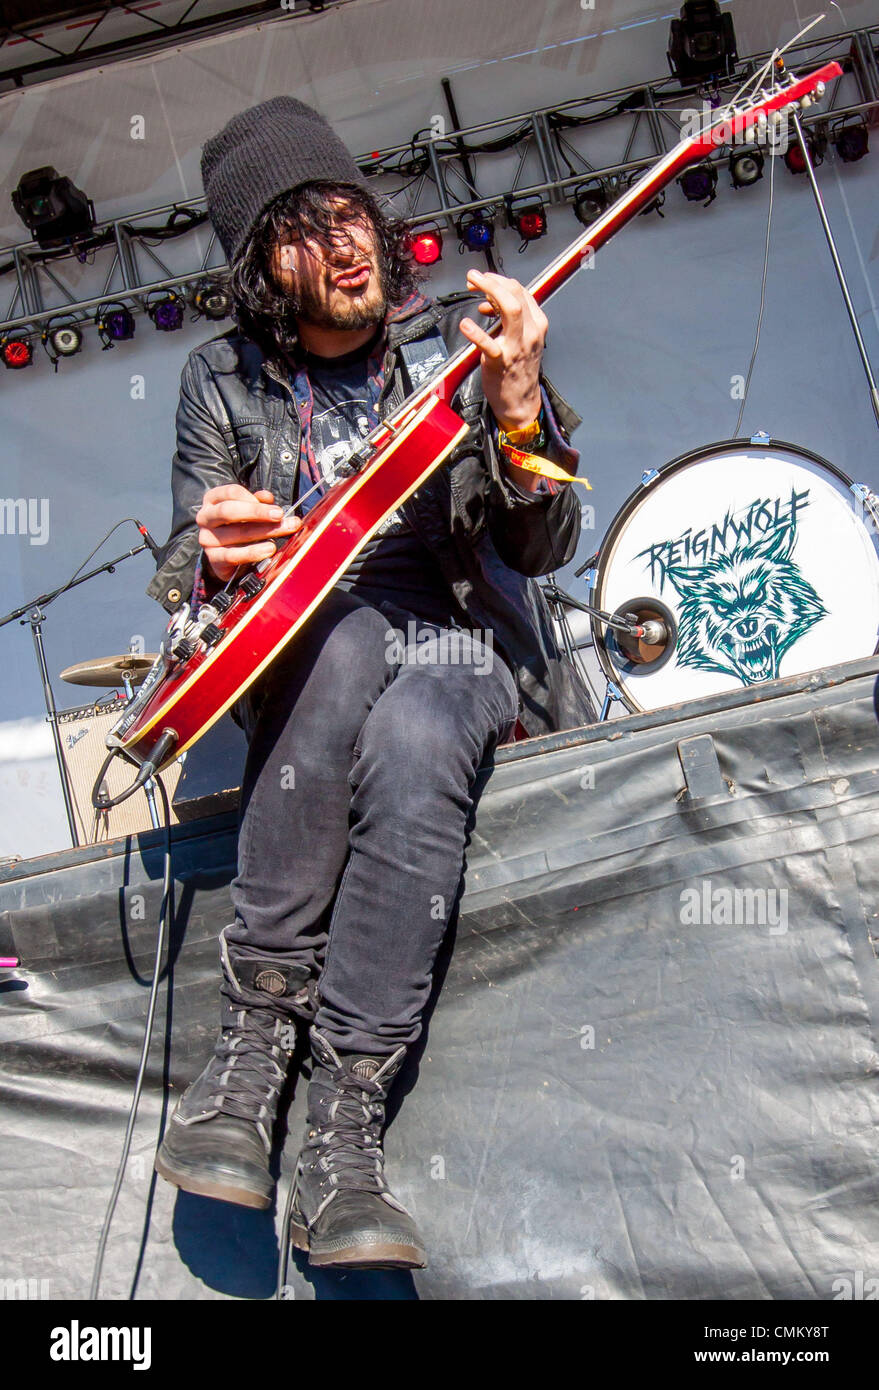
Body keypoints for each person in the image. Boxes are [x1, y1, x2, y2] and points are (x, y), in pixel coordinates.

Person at [149, 96, 594, 1270]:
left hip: (460, 643)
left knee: (424, 712)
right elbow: (182, 566)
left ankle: (341, 1129)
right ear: (260, 267)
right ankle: (250, 1063)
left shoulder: (459, 347)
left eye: (351, 213)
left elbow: (545, 549)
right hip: (321, 662)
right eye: (303, 228)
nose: (343, 244)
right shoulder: (221, 380)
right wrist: (214, 547)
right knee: (344, 642)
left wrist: (515, 413)